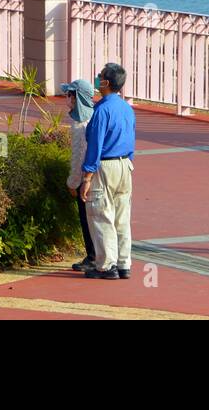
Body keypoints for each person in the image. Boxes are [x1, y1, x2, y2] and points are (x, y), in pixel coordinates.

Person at [80, 62, 135, 280]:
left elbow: (95, 144)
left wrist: (87, 176)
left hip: (105, 165)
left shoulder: (102, 110)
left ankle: (105, 265)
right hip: (125, 165)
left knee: (101, 214)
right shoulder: (127, 109)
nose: (97, 79)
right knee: (122, 217)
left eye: (100, 76)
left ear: (106, 83)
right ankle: (124, 263)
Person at [62, 78, 98, 272]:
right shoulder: (94, 117)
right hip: (98, 177)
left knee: (87, 219)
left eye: (69, 95)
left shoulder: (79, 125)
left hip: (85, 180)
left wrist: (73, 182)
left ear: (77, 98)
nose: (67, 98)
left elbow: (78, 158)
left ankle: (92, 256)